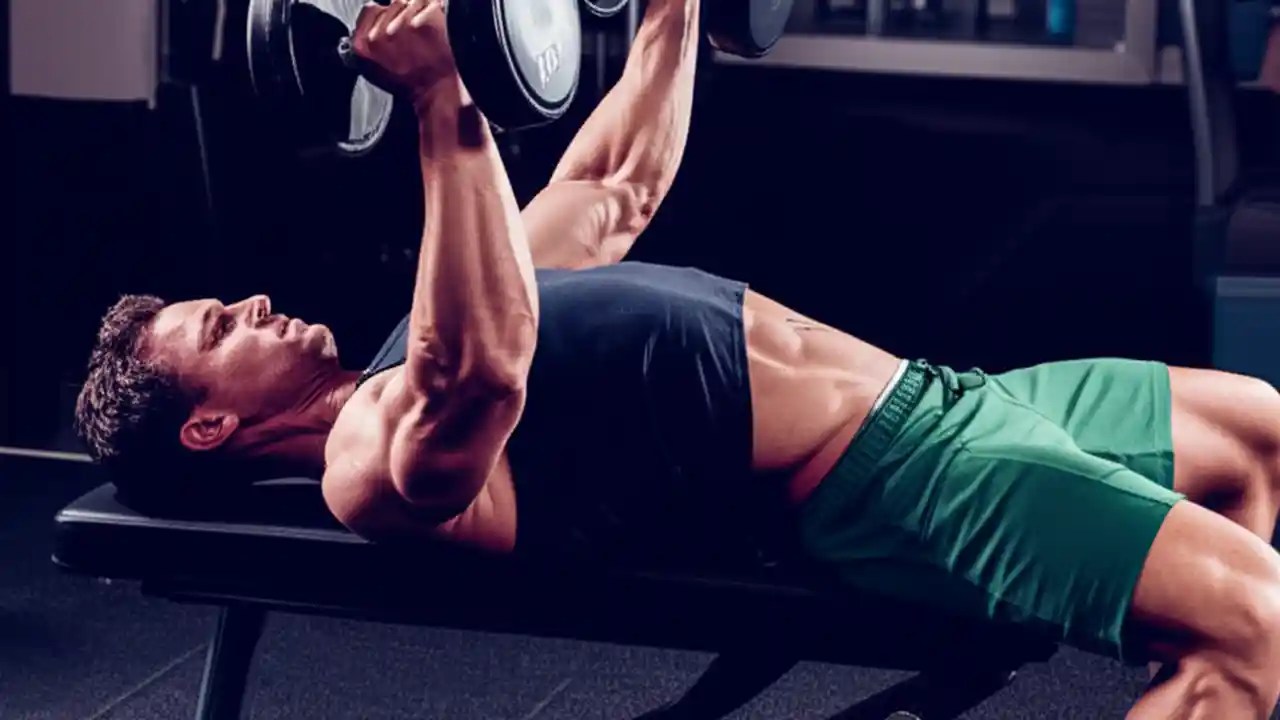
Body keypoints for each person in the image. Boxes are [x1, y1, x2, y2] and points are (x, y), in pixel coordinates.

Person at [74, 0, 1280, 716]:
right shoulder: (365, 459)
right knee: (1252, 627)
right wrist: (445, 98)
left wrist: (671, 9)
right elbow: (480, 377)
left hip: (943, 406)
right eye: (219, 328)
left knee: (1253, 435)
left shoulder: (426, 319)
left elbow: (612, 186)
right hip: (892, 479)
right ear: (208, 427)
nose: (253, 301)